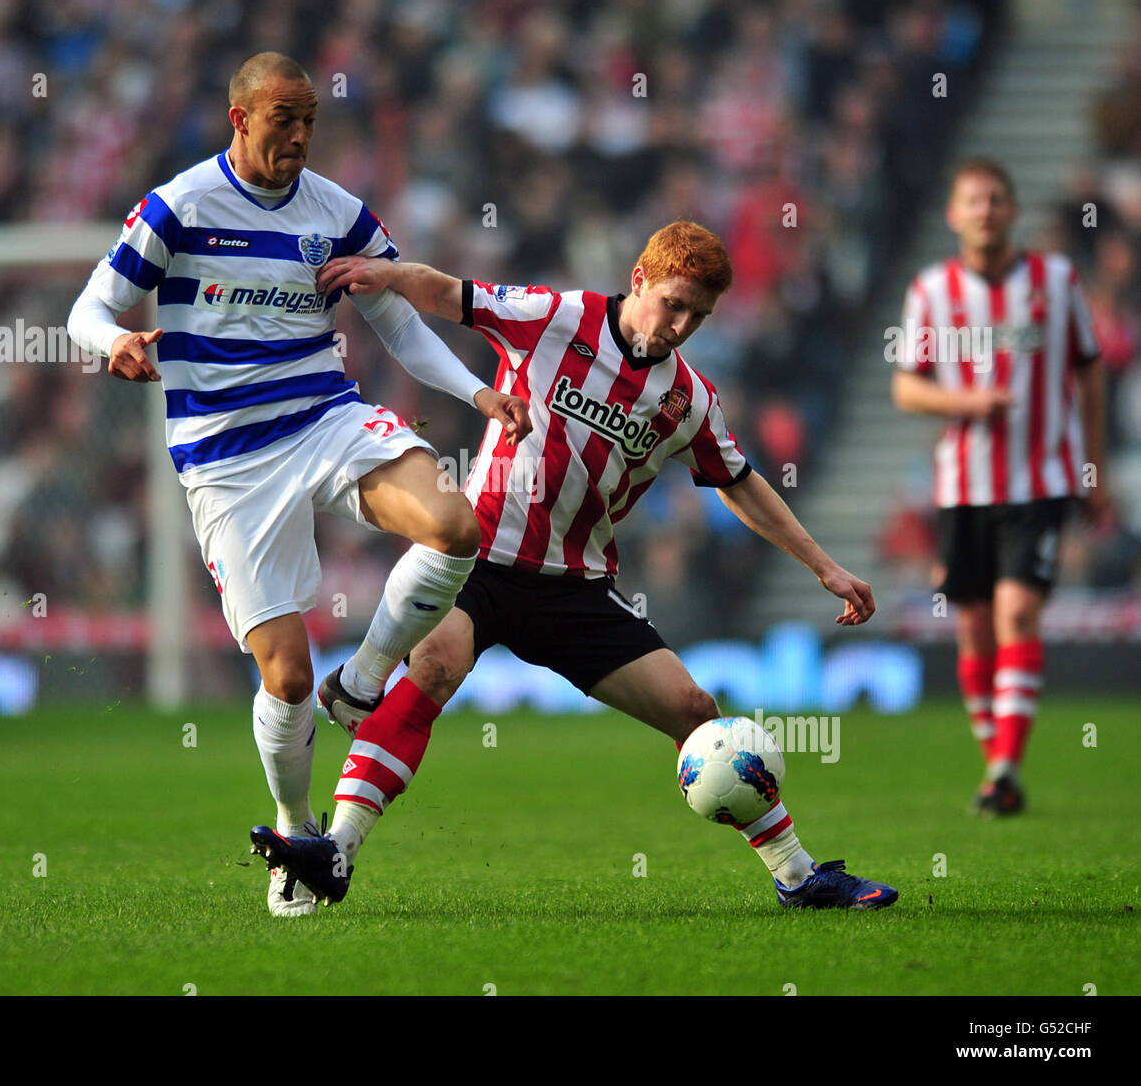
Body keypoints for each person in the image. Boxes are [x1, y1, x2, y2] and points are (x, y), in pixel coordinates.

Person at [250, 220, 898, 911]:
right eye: (673, 304)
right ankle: (338, 849)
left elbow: (739, 480)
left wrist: (823, 565)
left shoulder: (689, 399)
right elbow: (453, 294)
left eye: (700, 315)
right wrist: (388, 275)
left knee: (695, 709)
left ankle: (798, 877)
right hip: (481, 561)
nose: (681, 325)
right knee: (434, 664)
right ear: (640, 279)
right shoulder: (557, 316)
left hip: (576, 586)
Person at [66, 52, 530, 918]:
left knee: (453, 525)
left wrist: (476, 391)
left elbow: (396, 322)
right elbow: (87, 309)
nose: (302, 136)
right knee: (282, 676)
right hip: (226, 459)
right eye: (285, 119)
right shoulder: (179, 206)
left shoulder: (339, 213)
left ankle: (364, 677)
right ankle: (295, 827)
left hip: (323, 416)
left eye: (311, 119)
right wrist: (113, 343)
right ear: (239, 118)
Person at [890, 158, 1105, 815]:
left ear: (1012, 211)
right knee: (976, 624)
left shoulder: (1058, 281)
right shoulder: (930, 290)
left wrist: (1095, 466)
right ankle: (997, 763)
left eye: (996, 200)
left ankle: (1006, 764)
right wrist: (967, 400)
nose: (985, 210)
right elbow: (906, 385)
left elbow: (1090, 372)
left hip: (1042, 480)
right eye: (972, 201)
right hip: (962, 487)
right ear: (954, 215)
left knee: (1017, 611)